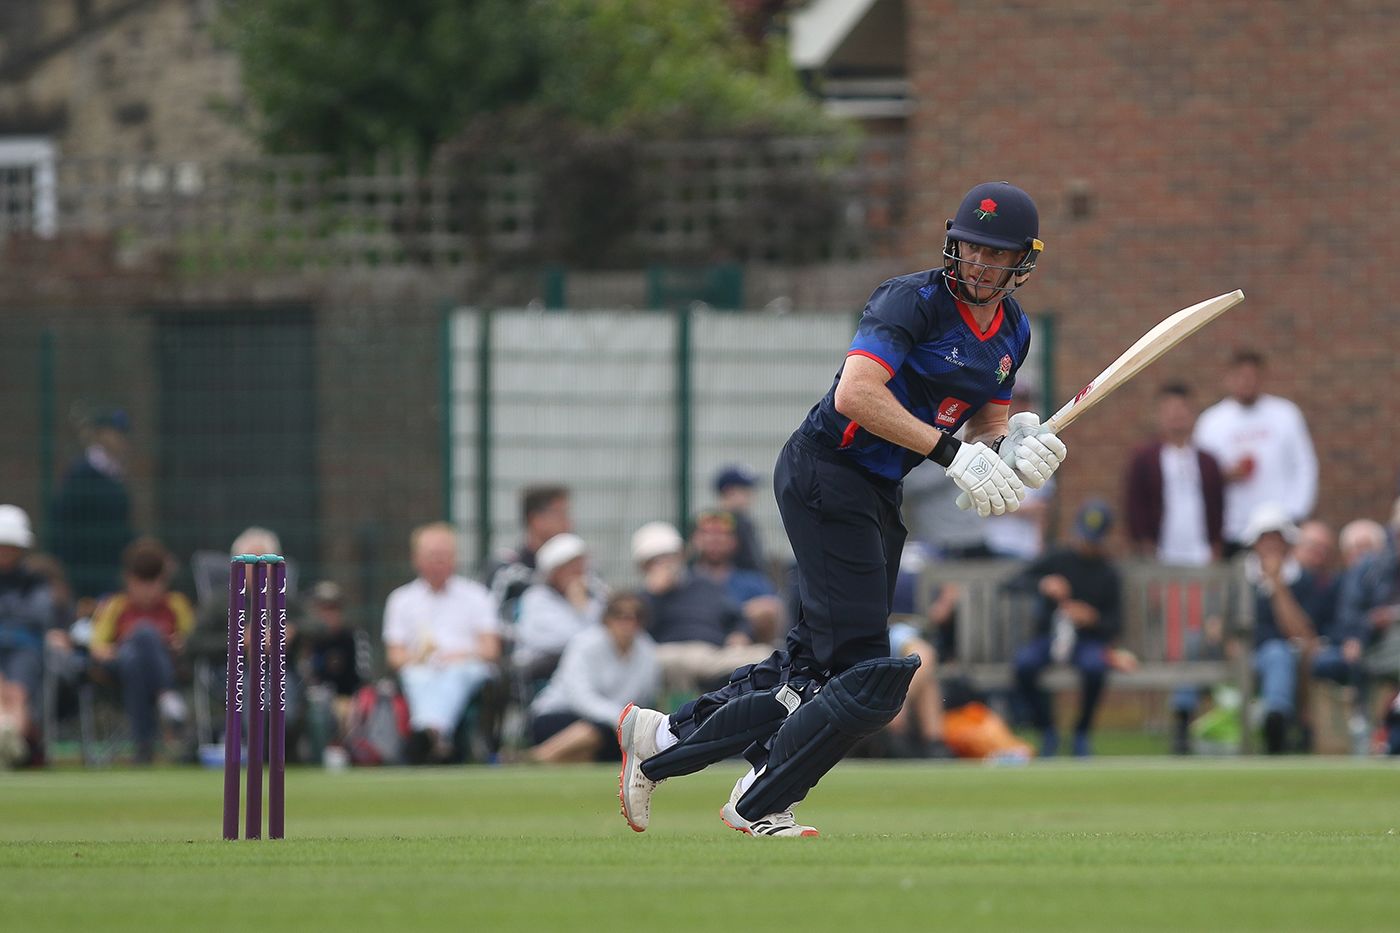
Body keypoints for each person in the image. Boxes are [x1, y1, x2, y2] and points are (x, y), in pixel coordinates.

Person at [616, 181, 1065, 837]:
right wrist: (952, 455)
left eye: (996, 255)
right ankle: (756, 790)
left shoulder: (1013, 331)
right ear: (953, 244)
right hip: (827, 469)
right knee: (862, 672)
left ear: (1021, 261)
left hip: (879, 488)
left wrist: (1011, 448)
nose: (979, 264)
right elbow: (857, 394)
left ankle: (664, 733)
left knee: (815, 665)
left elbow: (987, 423)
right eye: (971, 248)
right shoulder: (909, 300)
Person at [1009, 499, 1123, 758]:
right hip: (1049, 637)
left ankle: (1081, 732)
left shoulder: (1108, 573)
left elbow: (1115, 623)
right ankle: (1047, 729)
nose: (1086, 545)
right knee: (1024, 665)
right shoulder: (1058, 559)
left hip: (1087, 640)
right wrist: (1043, 584)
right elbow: (1012, 583)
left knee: (1095, 667)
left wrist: (1092, 618)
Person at [383, 522, 502, 764]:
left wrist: (460, 655)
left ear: (455, 558)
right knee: (417, 676)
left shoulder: (477, 595)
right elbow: (395, 656)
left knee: (454, 674)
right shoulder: (400, 600)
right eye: (432, 556)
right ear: (416, 559)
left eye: (444, 555)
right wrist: (420, 658)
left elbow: (490, 650)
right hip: (421, 668)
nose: (438, 562)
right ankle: (439, 736)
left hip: (467, 666)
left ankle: (429, 732)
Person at [1193, 349, 1318, 554]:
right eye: (1240, 377)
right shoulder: (1211, 422)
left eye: (1252, 377)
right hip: (1233, 529)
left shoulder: (1285, 414)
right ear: (1229, 379)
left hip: (1278, 526)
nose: (1246, 382)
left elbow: (1304, 466)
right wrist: (1223, 475)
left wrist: (1295, 511)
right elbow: (1200, 475)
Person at [631, 521, 771, 697]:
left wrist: (740, 634)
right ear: (644, 566)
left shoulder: (704, 584)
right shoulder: (641, 598)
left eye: (670, 557)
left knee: (767, 656)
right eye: (657, 561)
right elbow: (637, 637)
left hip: (714, 653)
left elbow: (737, 617)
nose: (666, 564)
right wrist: (653, 595)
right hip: (669, 653)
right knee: (676, 661)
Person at [87, 537, 194, 763]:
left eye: (154, 581)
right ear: (128, 579)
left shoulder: (177, 604)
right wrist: (114, 650)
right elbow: (97, 647)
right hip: (119, 669)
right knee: (141, 638)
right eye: (141, 582)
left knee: (135, 660)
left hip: (168, 665)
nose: (148, 590)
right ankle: (167, 698)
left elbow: (192, 641)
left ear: (164, 580)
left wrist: (180, 643)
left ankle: (143, 747)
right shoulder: (115, 605)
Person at [1236, 503, 1330, 754]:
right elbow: (1220, 626)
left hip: (1285, 656)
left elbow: (1301, 633)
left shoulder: (1302, 580)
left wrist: (1278, 586)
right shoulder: (1239, 578)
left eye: (1276, 539)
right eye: (1264, 539)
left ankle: (1276, 723)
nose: (1271, 546)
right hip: (1241, 654)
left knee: (1278, 653)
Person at [527, 592, 660, 764]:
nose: (628, 623)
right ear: (608, 619)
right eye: (620, 616)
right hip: (559, 715)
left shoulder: (647, 651)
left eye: (636, 617)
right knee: (592, 732)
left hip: (616, 728)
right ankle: (538, 757)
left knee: (599, 743)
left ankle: (539, 759)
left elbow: (645, 697)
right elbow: (580, 698)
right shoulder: (584, 644)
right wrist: (621, 718)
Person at [1124, 382, 1225, 565]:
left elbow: (1218, 505)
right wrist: (1145, 544)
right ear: (1159, 414)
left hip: (1201, 554)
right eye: (1170, 409)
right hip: (1161, 554)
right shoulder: (1145, 459)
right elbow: (1135, 504)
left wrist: (1215, 545)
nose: (1176, 414)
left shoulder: (1208, 462)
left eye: (1182, 408)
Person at [48, 408, 136, 602]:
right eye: (115, 432)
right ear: (100, 434)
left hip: (109, 568)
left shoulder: (116, 475)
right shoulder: (80, 475)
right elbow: (63, 521)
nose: (120, 439)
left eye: (122, 433)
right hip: (82, 569)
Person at [512, 532, 607, 682]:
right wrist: (581, 609)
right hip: (546, 674)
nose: (579, 574)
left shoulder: (594, 596)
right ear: (554, 572)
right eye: (570, 568)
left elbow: (608, 634)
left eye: (580, 567)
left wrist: (584, 606)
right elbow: (567, 641)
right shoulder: (536, 598)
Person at [0, 506, 54, 767]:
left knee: (17, 693)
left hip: (24, 650)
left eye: (10, 546)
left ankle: (12, 746)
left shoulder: (36, 581)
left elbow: (39, 616)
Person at [689, 510, 786, 645]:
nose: (714, 539)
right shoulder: (682, 582)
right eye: (707, 533)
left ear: (734, 542)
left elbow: (774, 614)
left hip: (743, 653)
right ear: (695, 539)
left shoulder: (753, 582)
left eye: (722, 534)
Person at [483, 484, 573, 623]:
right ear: (535, 520)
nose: (568, 523)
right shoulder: (506, 568)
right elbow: (488, 619)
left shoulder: (582, 571)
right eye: (560, 515)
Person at [302, 580, 368, 758]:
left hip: (346, 696)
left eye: (333, 609)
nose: (328, 615)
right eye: (323, 609)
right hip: (313, 698)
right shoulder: (308, 639)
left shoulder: (353, 636)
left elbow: (362, 675)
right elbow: (305, 675)